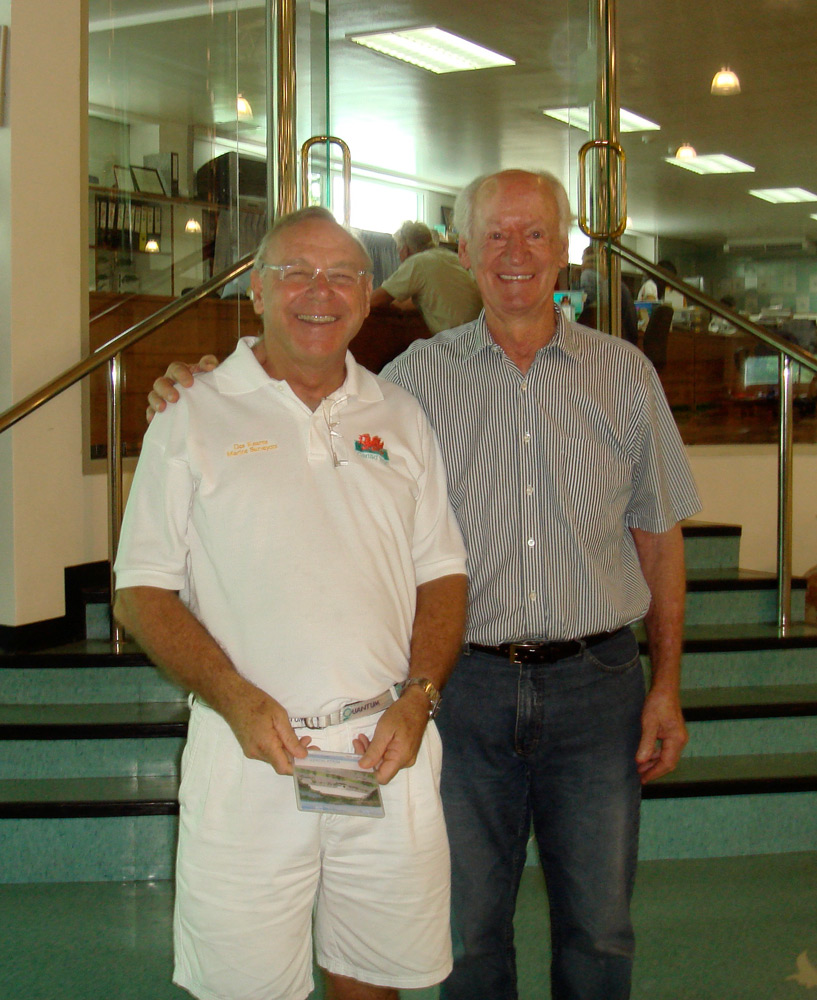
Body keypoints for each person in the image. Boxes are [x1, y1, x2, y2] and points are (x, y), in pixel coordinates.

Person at [148, 171, 702, 1000]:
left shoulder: (625, 377)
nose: (515, 253)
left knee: (599, 925)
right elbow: (307, 391)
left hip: (597, 688)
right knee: (466, 927)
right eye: (494, 235)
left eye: (535, 234)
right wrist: (200, 384)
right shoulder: (409, 383)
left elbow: (658, 542)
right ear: (464, 248)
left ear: (566, 246)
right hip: (463, 686)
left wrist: (666, 685)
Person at [116, 206, 468, 1000]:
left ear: (369, 293)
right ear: (255, 289)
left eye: (341, 274)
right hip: (250, 756)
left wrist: (419, 699)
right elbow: (141, 590)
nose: (319, 292)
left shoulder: (401, 415)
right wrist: (235, 699)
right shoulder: (190, 415)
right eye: (295, 273)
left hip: (383, 749)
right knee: (244, 987)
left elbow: (441, 573)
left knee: (372, 978)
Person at [369, 220, 482, 333]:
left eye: (398, 250)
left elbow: (375, 300)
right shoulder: (452, 257)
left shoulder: (418, 262)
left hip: (457, 343)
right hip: (480, 336)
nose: (399, 256)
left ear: (405, 250)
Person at [578, 243, 640, 344]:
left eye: (592, 262)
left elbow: (589, 317)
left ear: (605, 265)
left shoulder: (612, 290)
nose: (586, 267)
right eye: (584, 262)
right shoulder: (615, 287)